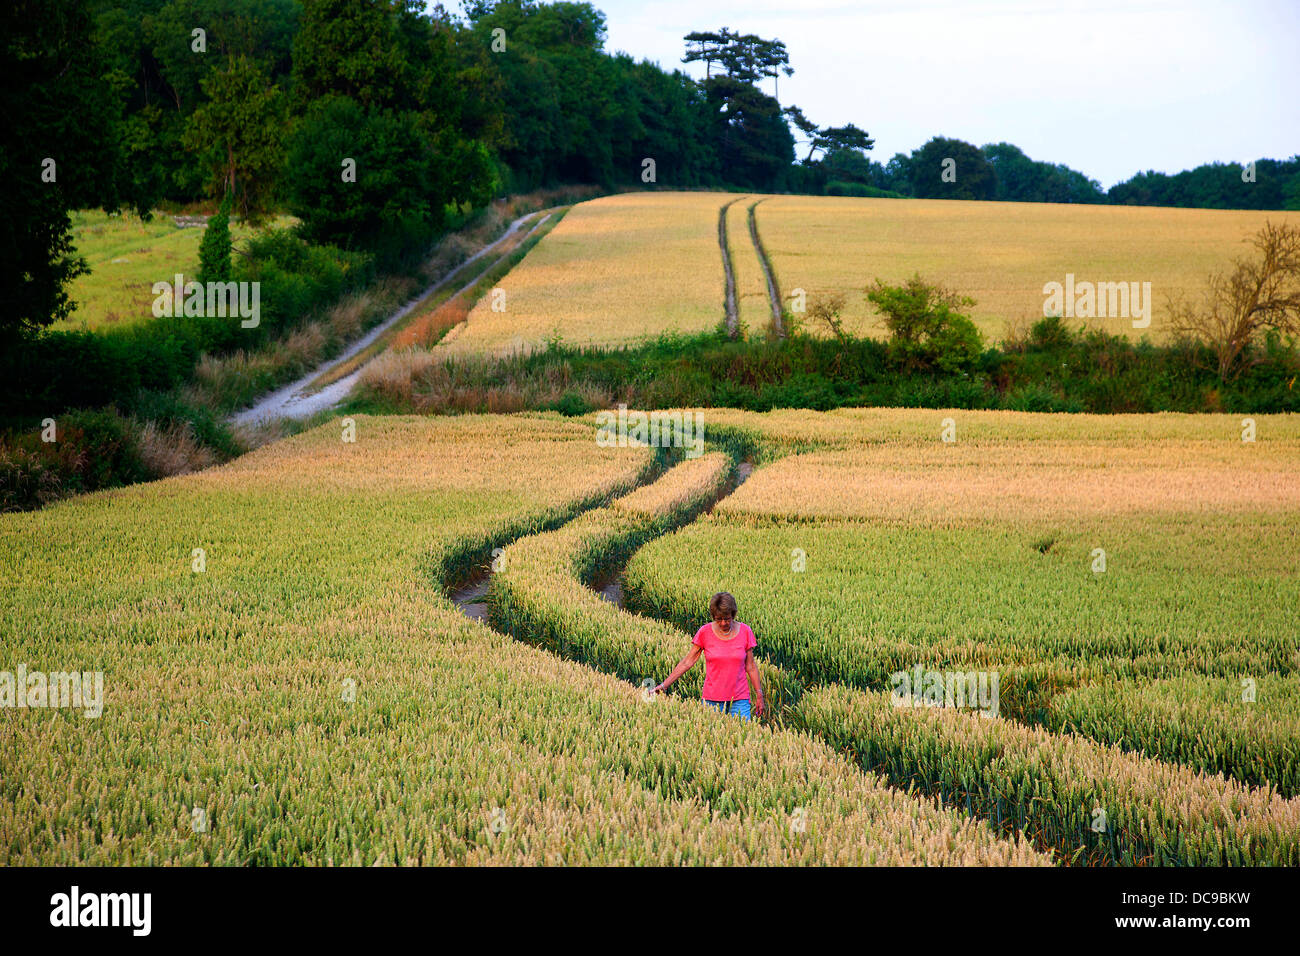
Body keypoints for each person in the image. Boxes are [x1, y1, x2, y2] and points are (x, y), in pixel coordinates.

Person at [654, 591, 763, 719]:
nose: (723, 623)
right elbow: (687, 662)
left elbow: (750, 666)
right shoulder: (704, 632)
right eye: (718, 619)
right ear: (713, 616)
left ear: (733, 614)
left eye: (727, 618)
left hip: (740, 699)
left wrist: (759, 694)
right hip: (712, 700)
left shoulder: (745, 631)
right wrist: (664, 685)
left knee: (744, 736)